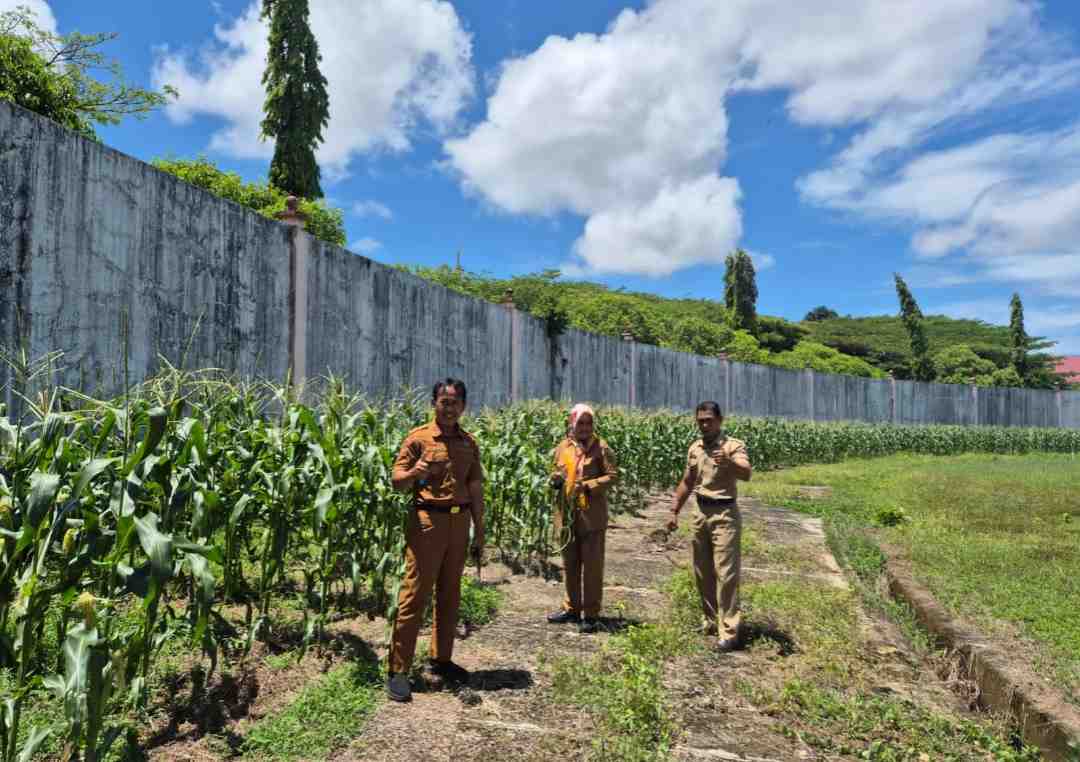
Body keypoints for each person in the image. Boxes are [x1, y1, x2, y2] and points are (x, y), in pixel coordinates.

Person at [386, 378, 485, 703]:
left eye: (456, 401)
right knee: (415, 594)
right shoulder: (418, 438)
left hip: (460, 522)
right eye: (444, 401)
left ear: (464, 406)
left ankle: (441, 659)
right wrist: (416, 471)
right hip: (428, 522)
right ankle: (398, 670)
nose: (450, 407)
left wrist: (479, 529)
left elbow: (474, 488)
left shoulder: (469, 443)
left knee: (450, 593)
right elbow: (396, 482)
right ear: (434, 403)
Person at [665, 401, 752, 652]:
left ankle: (730, 631)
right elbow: (687, 481)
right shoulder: (695, 448)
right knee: (702, 571)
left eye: (709, 420)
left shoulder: (732, 446)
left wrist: (729, 463)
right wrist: (673, 510)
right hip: (700, 512)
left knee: (726, 574)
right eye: (700, 420)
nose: (704, 424)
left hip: (724, 513)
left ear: (720, 420)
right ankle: (711, 621)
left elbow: (746, 473)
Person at [547, 403, 618, 634]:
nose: (585, 428)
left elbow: (613, 476)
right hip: (568, 516)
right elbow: (554, 471)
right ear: (572, 424)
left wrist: (588, 486)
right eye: (581, 423)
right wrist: (556, 480)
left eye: (589, 423)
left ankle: (591, 613)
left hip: (591, 517)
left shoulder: (601, 447)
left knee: (592, 566)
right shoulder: (563, 447)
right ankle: (572, 608)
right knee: (570, 565)